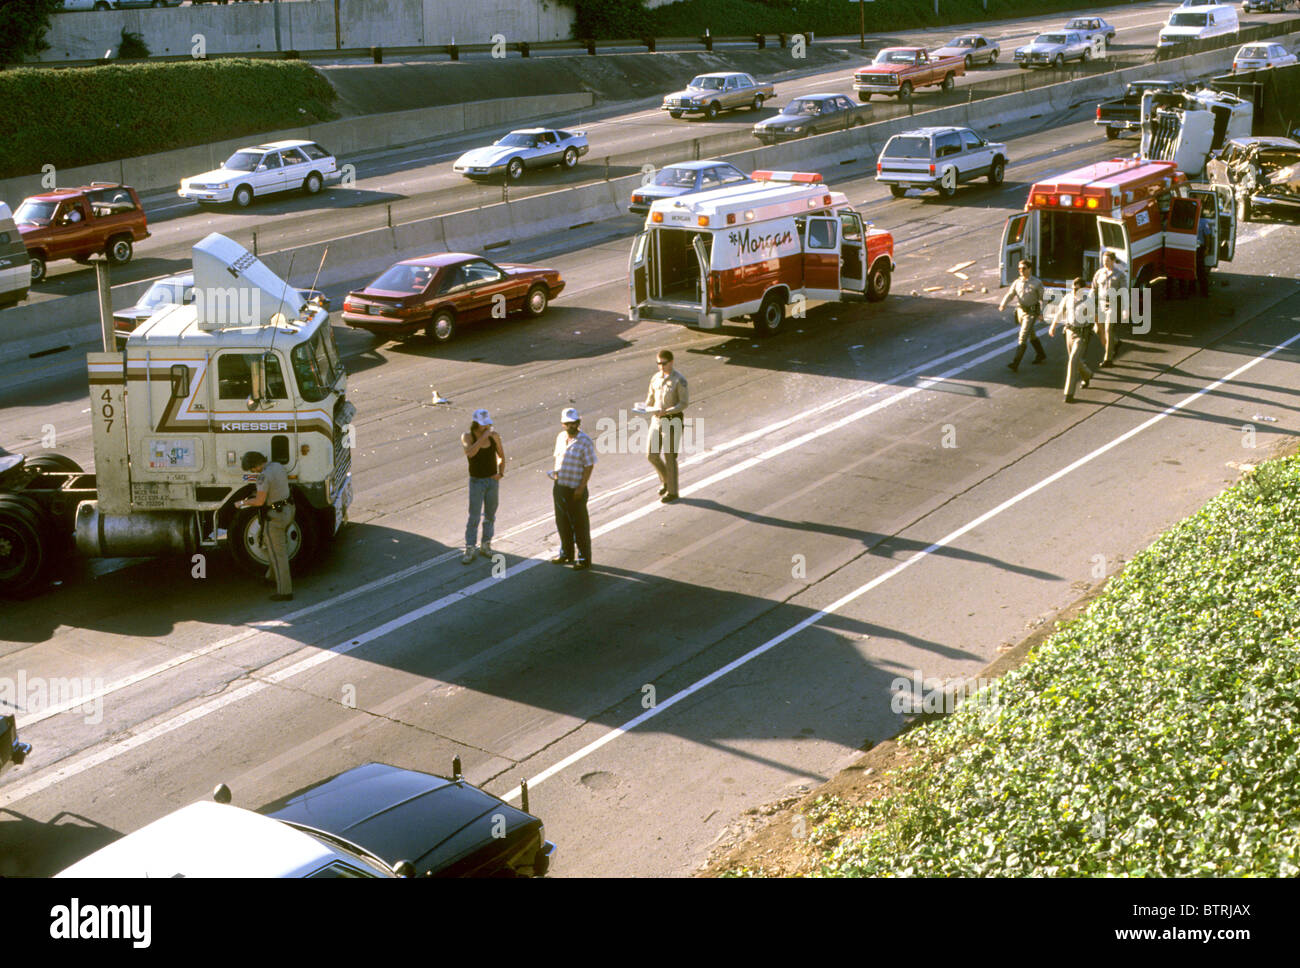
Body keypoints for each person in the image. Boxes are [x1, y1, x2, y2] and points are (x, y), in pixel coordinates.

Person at [236, 451, 294, 602]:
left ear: (255, 465)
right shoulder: (278, 466)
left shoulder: (263, 477)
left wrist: (242, 503)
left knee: (277, 553)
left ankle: (285, 591)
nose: (253, 472)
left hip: (275, 517)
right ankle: (270, 577)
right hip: (288, 510)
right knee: (275, 547)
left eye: (252, 469)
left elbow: (260, 501)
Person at [550, 407, 596, 570]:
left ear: (578, 423)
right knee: (562, 522)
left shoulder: (585, 441)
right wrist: (555, 475)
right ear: (563, 424)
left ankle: (584, 558)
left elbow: (589, 465)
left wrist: (581, 488)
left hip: (575, 489)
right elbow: (557, 458)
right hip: (560, 486)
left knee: (579, 525)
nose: (571, 426)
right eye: (568, 423)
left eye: (574, 423)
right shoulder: (561, 437)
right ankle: (566, 553)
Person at [644, 350, 689, 503]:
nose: (661, 366)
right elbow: (649, 400)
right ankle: (666, 480)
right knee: (651, 455)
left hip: (672, 420)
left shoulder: (679, 380)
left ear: (671, 362)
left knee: (670, 457)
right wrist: (645, 408)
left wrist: (667, 411)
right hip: (657, 420)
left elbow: (683, 403)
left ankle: (673, 492)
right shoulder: (655, 378)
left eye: (664, 363)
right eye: (658, 363)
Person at [461, 408, 504, 564]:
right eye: (482, 425)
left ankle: (486, 544)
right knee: (474, 516)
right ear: (475, 423)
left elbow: (501, 455)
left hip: (492, 481)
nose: (485, 427)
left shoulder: (494, 437)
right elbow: (470, 453)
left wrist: (501, 472)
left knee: (490, 514)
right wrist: (482, 438)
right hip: (476, 482)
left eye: (486, 425)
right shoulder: (467, 436)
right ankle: (470, 548)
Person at [1048, 278, 1094, 404]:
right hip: (1069, 332)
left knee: (1073, 361)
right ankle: (1087, 374)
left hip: (1081, 335)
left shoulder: (1088, 301)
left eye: (1077, 289)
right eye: (1073, 288)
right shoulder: (1068, 298)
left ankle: (1069, 393)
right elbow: (1059, 312)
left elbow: (1095, 318)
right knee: (1076, 361)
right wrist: (1053, 326)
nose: (1074, 291)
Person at [997, 259, 1047, 372]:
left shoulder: (1036, 283)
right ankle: (1041, 354)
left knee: (1023, 336)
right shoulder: (1017, 282)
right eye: (1019, 268)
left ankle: (1015, 363)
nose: (1021, 270)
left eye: (1023, 268)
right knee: (1031, 334)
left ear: (1030, 269)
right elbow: (1010, 294)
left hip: (1031, 313)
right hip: (1020, 311)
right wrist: (1003, 304)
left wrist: (1042, 313)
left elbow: (1044, 299)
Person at [1091, 250, 1127, 367]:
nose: (1104, 263)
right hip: (1101, 305)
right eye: (1103, 261)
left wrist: (1126, 308)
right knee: (1097, 330)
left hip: (1113, 305)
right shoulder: (1099, 273)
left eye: (1107, 261)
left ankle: (1108, 359)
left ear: (1113, 261)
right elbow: (1093, 289)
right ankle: (1115, 342)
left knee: (1108, 330)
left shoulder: (1120, 275)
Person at [1195, 213, 1214, 298]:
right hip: (1191, 247)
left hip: (1199, 248)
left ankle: (1204, 292)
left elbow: (1207, 236)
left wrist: (1207, 248)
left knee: (1200, 270)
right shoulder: (1194, 220)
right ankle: (1192, 290)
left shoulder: (1203, 222)